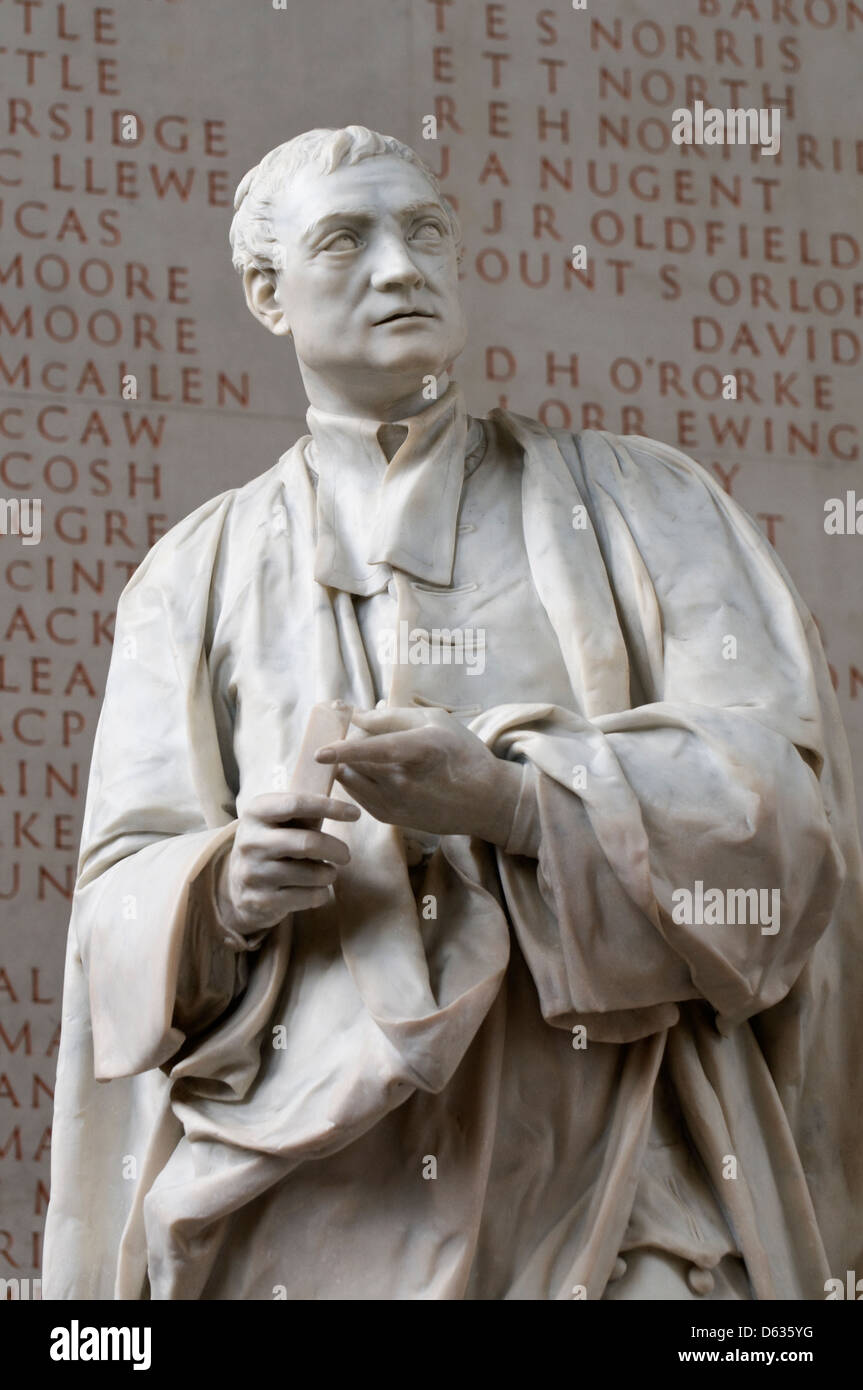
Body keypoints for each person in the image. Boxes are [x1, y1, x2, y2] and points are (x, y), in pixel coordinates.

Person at [43, 125, 863, 1301]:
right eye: (346, 238)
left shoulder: (645, 507)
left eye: (422, 229)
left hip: (618, 1184)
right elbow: (115, 902)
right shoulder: (191, 576)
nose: (399, 266)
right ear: (267, 295)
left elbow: (787, 822)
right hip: (307, 1205)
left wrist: (517, 802)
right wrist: (221, 891)